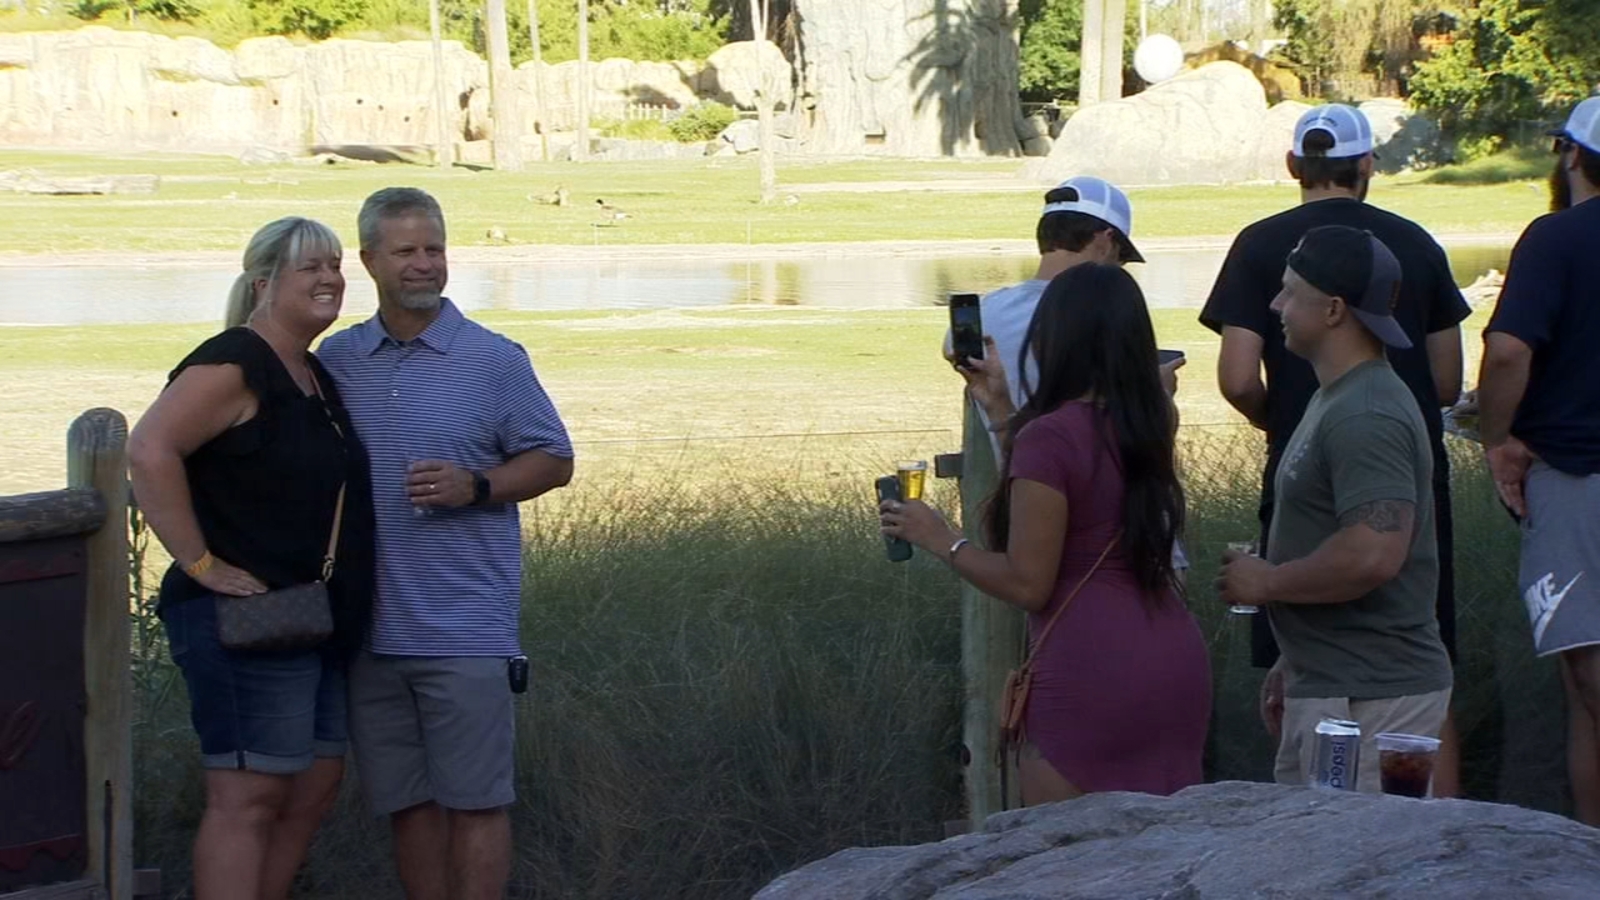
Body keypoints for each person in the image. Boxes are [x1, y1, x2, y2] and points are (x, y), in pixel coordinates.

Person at [1198, 103, 1470, 794]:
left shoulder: (1367, 414)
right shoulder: (1334, 398)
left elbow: (1374, 552)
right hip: (1333, 687)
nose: (1276, 307)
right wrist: (1296, 663)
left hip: (1371, 705)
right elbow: (1447, 379)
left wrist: (1269, 585)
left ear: (1335, 310)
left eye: (1290, 295)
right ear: (1365, 166)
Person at [317, 187, 574, 900]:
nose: (425, 265)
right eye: (406, 251)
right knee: (407, 806)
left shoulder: (494, 360)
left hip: (465, 630)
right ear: (368, 260)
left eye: (435, 248)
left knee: (478, 803)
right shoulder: (337, 362)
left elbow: (555, 460)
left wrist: (478, 486)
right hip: (368, 632)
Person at [886, 263, 1211, 804]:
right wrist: (1000, 409)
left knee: (1065, 865)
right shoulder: (1154, 420)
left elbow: (1028, 583)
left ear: (1053, 337)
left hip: (1090, 667)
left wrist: (942, 537)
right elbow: (1088, 469)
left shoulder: (1050, 437)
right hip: (1173, 661)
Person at [127, 217, 376, 900]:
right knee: (250, 796)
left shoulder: (311, 372)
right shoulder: (235, 361)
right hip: (242, 621)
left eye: (334, 265)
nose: (330, 279)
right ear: (265, 282)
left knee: (313, 785)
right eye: (310, 268)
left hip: (314, 617)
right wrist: (201, 564)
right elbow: (150, 450)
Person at [1477, 96, 1600, 826]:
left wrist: (1497, 439)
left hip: (1577, 480)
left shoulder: (1556, 240)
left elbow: (1509, 348)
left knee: (1588, 673)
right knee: (1578, 693)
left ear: (1572, 156)